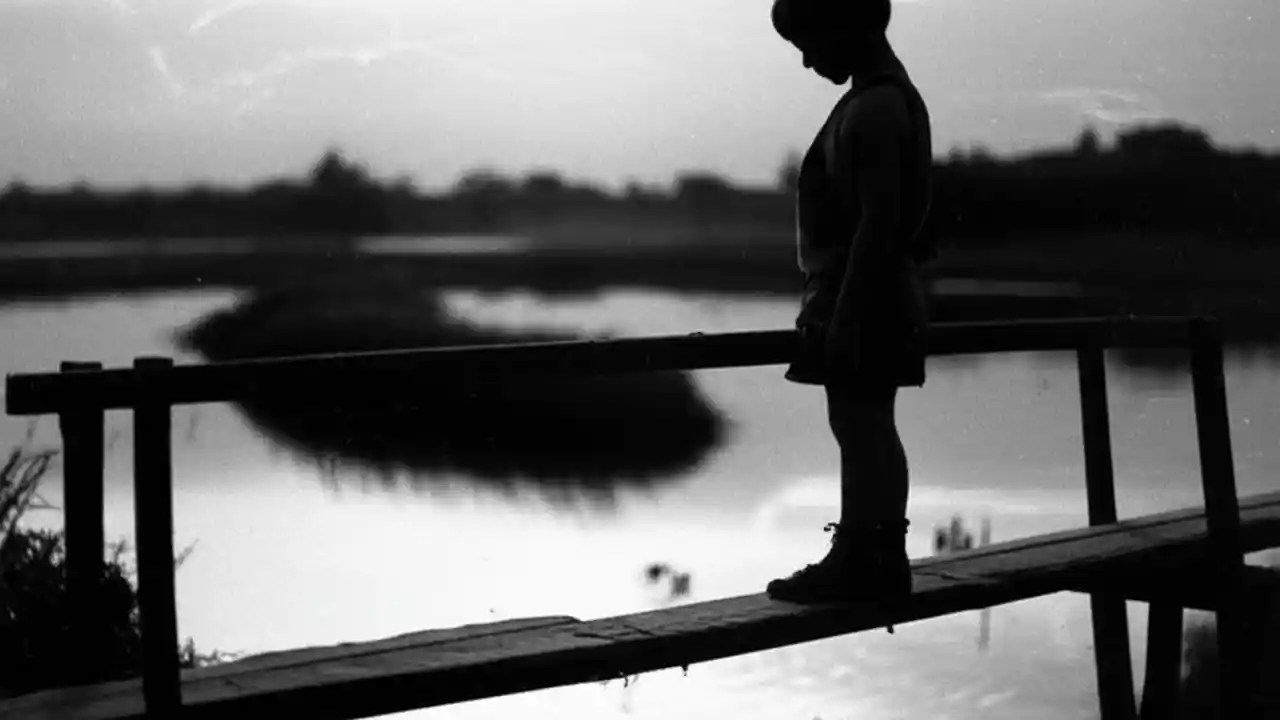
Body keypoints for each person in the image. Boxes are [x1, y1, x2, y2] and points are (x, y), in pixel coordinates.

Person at [767, 0, 934, 604]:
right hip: (870, 296)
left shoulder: (877, 107)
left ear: (849, 24)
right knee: (863, 426)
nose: (809, 62)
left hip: (861, 298)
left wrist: (847, 317)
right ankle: (873, 553)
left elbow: (879, 224)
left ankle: (867, 556)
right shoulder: (885, 100)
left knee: (862, 427)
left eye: (811, 44)